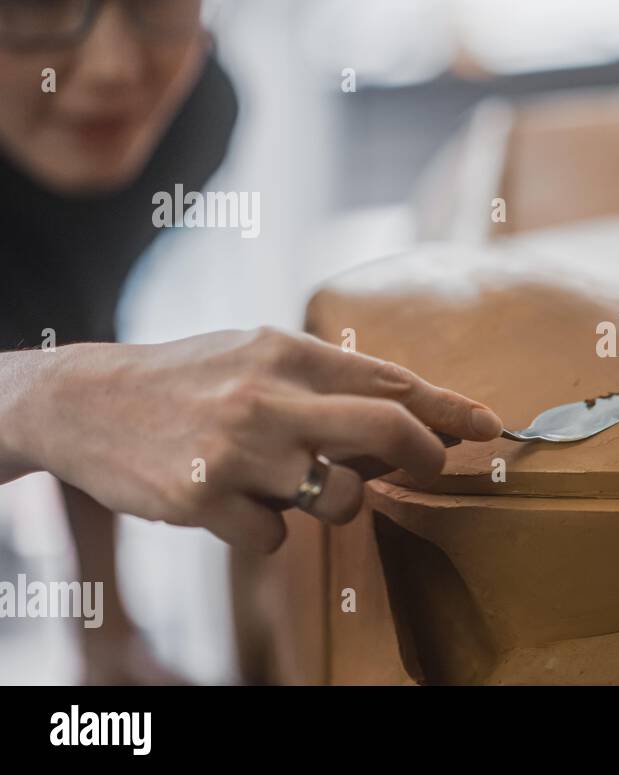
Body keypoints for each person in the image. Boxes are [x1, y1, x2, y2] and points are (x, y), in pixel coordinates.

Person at [0, 0, 502, 681]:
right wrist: (40, 398)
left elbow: (71, 309)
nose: (115, 67)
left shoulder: (195, 113)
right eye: (42, 6)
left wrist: (107, 634)